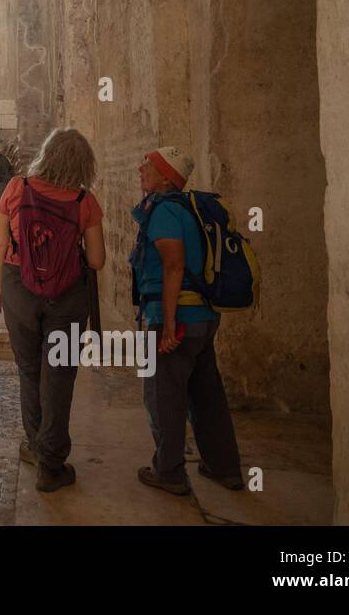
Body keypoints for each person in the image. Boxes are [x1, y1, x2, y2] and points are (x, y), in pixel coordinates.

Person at [0, 127, 105, 492]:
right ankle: (52, 464)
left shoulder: (16, 188)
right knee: (59, 375)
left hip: (18, 288)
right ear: (84, 164)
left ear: (45, 153)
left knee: (28, 369)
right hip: (68, 296)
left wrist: (0, 286)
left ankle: (34, 445)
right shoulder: (84, 201)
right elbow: (99, 260)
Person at [130, 146, 243, 495]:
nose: (140, 168)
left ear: (166, 177)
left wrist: (166, 323)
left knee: (163, 395)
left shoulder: (164, 212)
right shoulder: (190, 209)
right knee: (205, 393)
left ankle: (169, 471)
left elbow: (173, 266)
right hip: (204, 318)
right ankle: (224, 468)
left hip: (178, 318)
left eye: (147, 165)